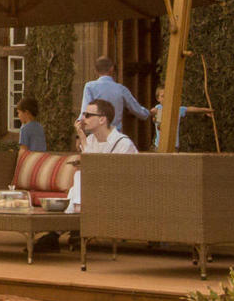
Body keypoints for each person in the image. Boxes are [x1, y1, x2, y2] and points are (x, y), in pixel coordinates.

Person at [36, 99, 139, 251]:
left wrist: (82, 138)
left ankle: (59, 231)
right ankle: (70, 226)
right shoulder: (91, 140)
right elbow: (91, 169)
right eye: (83, 114)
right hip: (94, 192)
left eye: (88, 115)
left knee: (81, 177)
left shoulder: (123, 144)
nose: (83, 119)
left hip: (118, 193)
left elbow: (121, 178)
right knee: (79, 177)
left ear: (102, 119)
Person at [82, 56, 150, 144]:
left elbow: (84, 112)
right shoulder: (121, 89)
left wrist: (80, 134)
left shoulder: (90, 87)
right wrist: (149, 113)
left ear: (96, 70)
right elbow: (137, 110)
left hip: (95, 135)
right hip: (115, 135)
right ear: (112, 69)